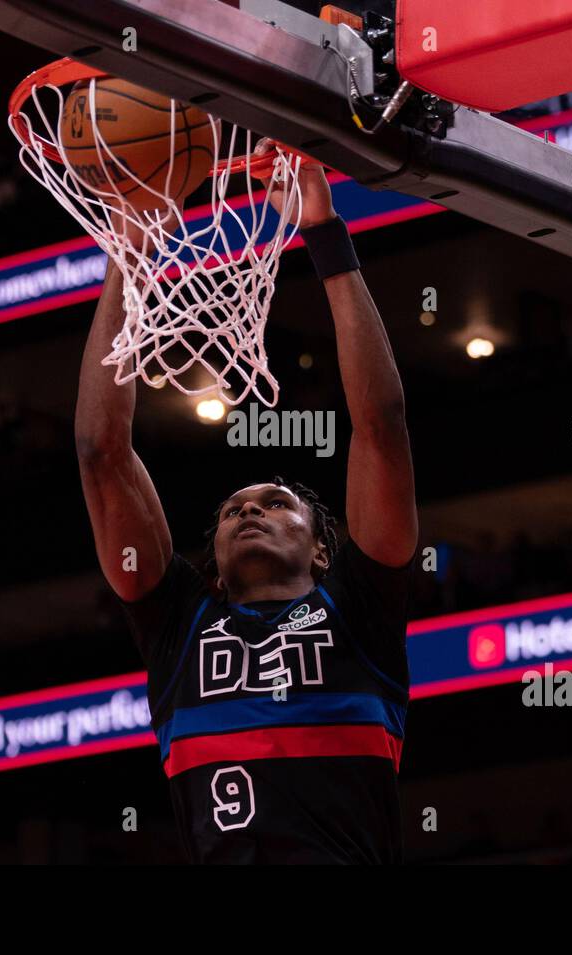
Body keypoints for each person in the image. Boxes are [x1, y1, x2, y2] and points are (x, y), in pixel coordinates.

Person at [75, 157, 417, 863]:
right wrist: (128, 258)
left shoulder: (360, 608)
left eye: (274, 503)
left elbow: (380, 424)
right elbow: (99, 452)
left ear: (323, 550)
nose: (249, 512)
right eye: (233, 511)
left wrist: (322, 230)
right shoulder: (180, 623)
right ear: (217, 563)